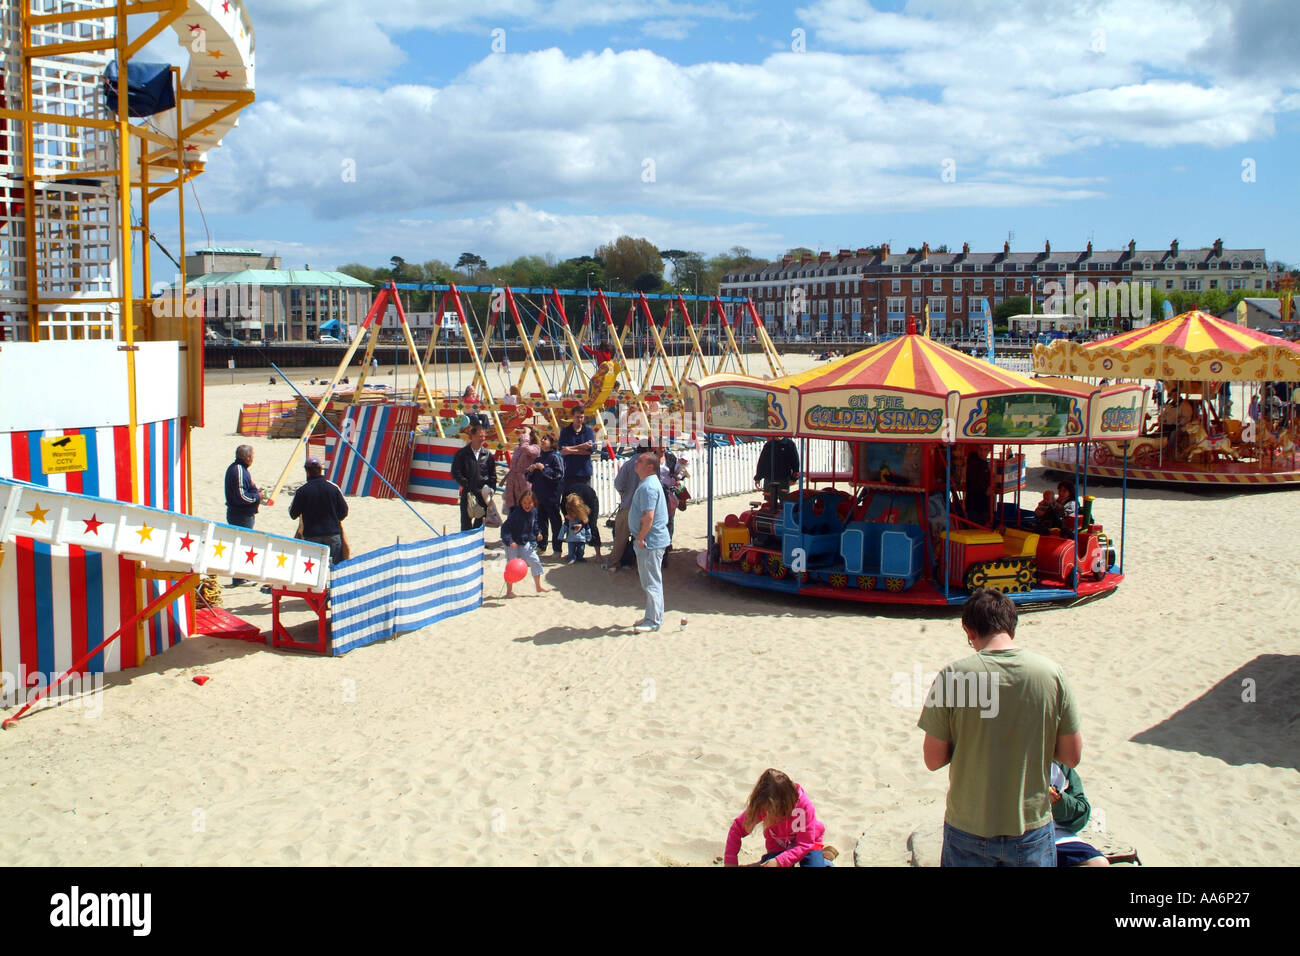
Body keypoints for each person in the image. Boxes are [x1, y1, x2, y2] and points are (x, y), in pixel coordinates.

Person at [918, 588, 1082, 867]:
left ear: (969, 631)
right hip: (1030, 825)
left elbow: (933, 760)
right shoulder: (1051, 673)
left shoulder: (953, 677)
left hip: (968, 824)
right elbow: (1071, 756)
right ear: (1012, 627)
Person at [723, 769, 836, 867]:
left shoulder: (803, 807)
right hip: (779, 848)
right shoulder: (763, 805)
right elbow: (737, 829)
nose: (770, 818)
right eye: (767, 813)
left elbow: (804, 844)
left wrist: (779, 861)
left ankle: (825, 860)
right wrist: (730, 861)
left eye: (774, 814)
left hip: (808, 845)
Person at [629, 452, 670, 632]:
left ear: (650, 467)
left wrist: (640, 537)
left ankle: (653, 621)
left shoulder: (648, 487)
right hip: (650, 540)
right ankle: (651, 615)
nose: (636, 462)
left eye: (640, 461)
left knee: (651, 582)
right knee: (650, 581)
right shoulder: (648, 484)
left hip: (650, 541)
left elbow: (648, 516)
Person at [288, 456, 349, 564]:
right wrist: (334, 519)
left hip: (311, 535)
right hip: (332, 534)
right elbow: (344, 511)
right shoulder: (333, 488)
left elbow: (292, 513)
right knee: (333, 568)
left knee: (314, 568)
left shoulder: (302, 491)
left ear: (307, 471)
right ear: (321, 470)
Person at [1050, 762, 1109, 867]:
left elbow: (1081, 817)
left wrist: (1058, 801)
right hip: (1017, 836)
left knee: (1098, 863)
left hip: (1056, 836)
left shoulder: (1060, 763)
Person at [224, 444, 261, 586]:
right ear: (247, 457)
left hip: (244, 514)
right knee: (241, 545)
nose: (253, 459)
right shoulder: (238, 470)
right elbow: (241, 496)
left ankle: (242, 576)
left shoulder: (242, 470)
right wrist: (257, 497)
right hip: (240, 515)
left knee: (244, 544)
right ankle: (239, 578)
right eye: (252, 456)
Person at [500, 490, 548, 598]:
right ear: (520, 502)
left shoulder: (534, 511)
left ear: (534, 503)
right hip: (512, 542)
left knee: (535, 560)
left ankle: (538, 586)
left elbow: (534, 524)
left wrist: (538, 533)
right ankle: (509, 591)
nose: (527, 505)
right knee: (511, 565)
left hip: (524, 541)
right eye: (524, 503)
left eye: (529, 503)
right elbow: (505, 528)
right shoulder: (516, 513)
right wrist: (509, 541)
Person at [604, 447, 645, 573]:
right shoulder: (651, 465)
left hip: (628, 505)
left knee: (620, 538)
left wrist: (625, 493)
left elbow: (618, 484)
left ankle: (613, 564)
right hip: (644, 507)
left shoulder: (628, 464)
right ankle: (641, 566)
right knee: (643, 538)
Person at [450, 424, 498, 532]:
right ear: (473, 436)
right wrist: (466, 484)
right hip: (467, 493)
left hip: (483, 493)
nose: (482, 439)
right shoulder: (462, 453)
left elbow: (493, 475)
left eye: (484, 436)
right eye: (480, 436)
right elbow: (455, 472)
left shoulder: (488, 455)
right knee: (466, 522)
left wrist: (491, 489)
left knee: (480, 523)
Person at [527, 433, 565, 555]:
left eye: (546, 439)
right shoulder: (538, 458)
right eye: (542, 439)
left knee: (555, 523)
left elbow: (558, 476)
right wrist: (531, 471)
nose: (542, 440)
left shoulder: (555, 457)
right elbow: (529, 479)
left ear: (552, 442)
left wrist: (544, 469)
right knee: (541, 522)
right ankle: (541, 546)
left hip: (551, 496)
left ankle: (557, 549)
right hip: (538, 496)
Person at [557, 407, 596, 499]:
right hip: (569, 472)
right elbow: (562, 450)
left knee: (585, 499)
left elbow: (590, 451)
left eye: (582, 417)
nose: (580, 419)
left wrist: (570, 450)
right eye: (577, 417)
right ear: (572, 417)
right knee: (568, 499)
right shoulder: (565, 431)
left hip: (584, 473)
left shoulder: (588, 431)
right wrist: (583, 446)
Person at [753, 435, 800, 508]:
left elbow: (795, 463)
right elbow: (762, 462)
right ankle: (771, 517)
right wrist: (758, 477)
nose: (778, 436)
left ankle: (782, 517)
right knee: (769, 501)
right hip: (769, 478)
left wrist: (794, 478)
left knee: (784, 500)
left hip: (784, 478)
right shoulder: (768, 445)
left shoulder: (790, 444)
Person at [502, 424, 540, 510]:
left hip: (524, 484)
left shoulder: (535, 448)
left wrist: (527, 433)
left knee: (524, 510)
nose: (522, 435)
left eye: (525, 434)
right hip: (512, 483)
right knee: (512, 512)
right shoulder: (517, 448)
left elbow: (525, 448)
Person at [964, 446, 992, 526]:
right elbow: (974, 483)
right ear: (977, 449)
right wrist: (985, 490)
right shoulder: (974, 463)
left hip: (980, 503)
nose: (982, 452)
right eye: (980, 449)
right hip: (975, 503)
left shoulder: (983, 463)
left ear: (989, 451)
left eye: (985, 449)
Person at [562, 493, 592, 564]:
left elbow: (587, 528)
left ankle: (580, 557)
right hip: (571, 539)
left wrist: (588, 537)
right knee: (571, 550)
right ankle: (571, 558)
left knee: (581, 549)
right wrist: (561, 535)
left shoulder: (582, 518)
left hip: (581, 538)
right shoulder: (568, 518)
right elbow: (564, 527)